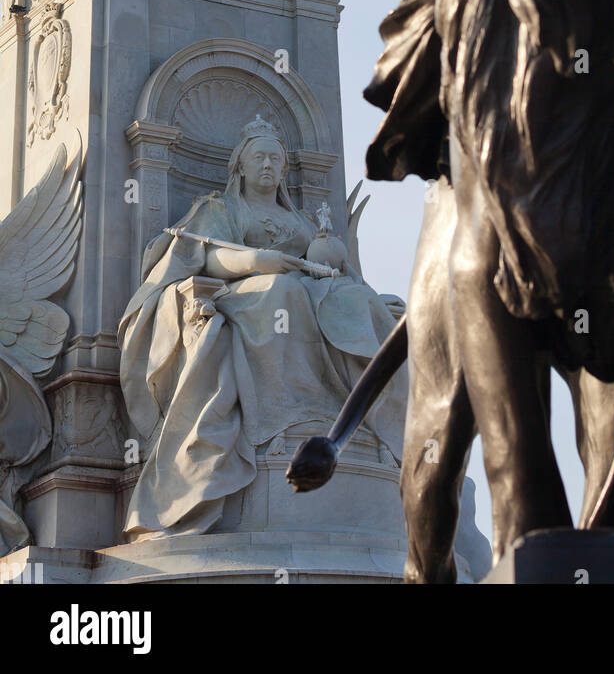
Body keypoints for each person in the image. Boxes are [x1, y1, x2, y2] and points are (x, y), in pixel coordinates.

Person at [118, 117, 404, 538]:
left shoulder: (302, 219)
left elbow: (328, 265)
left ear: (286, 169)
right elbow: (207, 258)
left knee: (359, 301)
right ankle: (284, 421)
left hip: (308, 290)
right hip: (243, 293)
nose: (268, 165)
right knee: (280, 293)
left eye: (276, 158)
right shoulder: (221, 208)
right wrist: (255, 261)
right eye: (260, 157)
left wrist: (334, 258)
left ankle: (362, 424)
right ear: (241, 167)